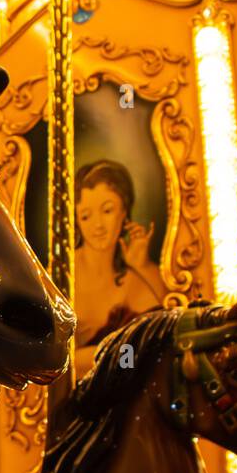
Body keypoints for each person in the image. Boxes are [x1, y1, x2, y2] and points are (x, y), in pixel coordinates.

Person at [72, 159, 166, 374]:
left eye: (107, 211)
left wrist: (142, 266)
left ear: (124, 212)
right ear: (77, 220)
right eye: (86, 216)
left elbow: (170, 324)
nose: (97, 226)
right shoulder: (64, 276)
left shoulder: (135, 276)